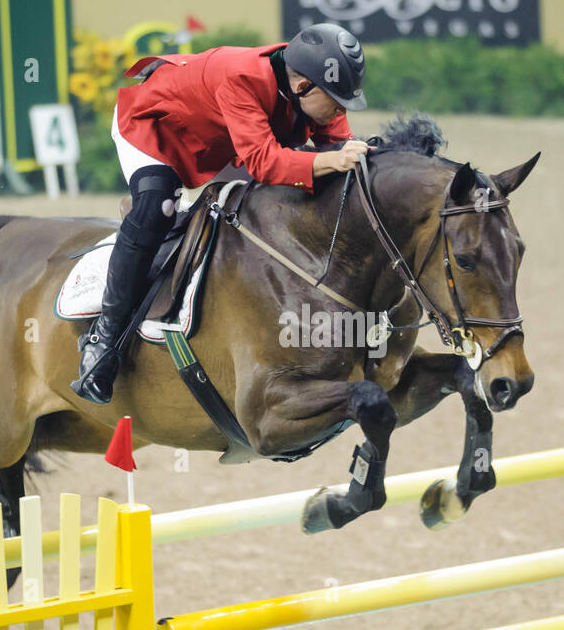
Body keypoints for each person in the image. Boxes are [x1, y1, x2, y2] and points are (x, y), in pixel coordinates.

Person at [72, 22, 374, 405]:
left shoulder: (312, 86)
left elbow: (338, 150)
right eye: (335, 101)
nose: (339, 111)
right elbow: (264, 161)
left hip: (224, 141)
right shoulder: (243, 78)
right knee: (157, 209)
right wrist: (331, 159)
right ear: (303, 87)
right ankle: (104, 338)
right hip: (156, 131)